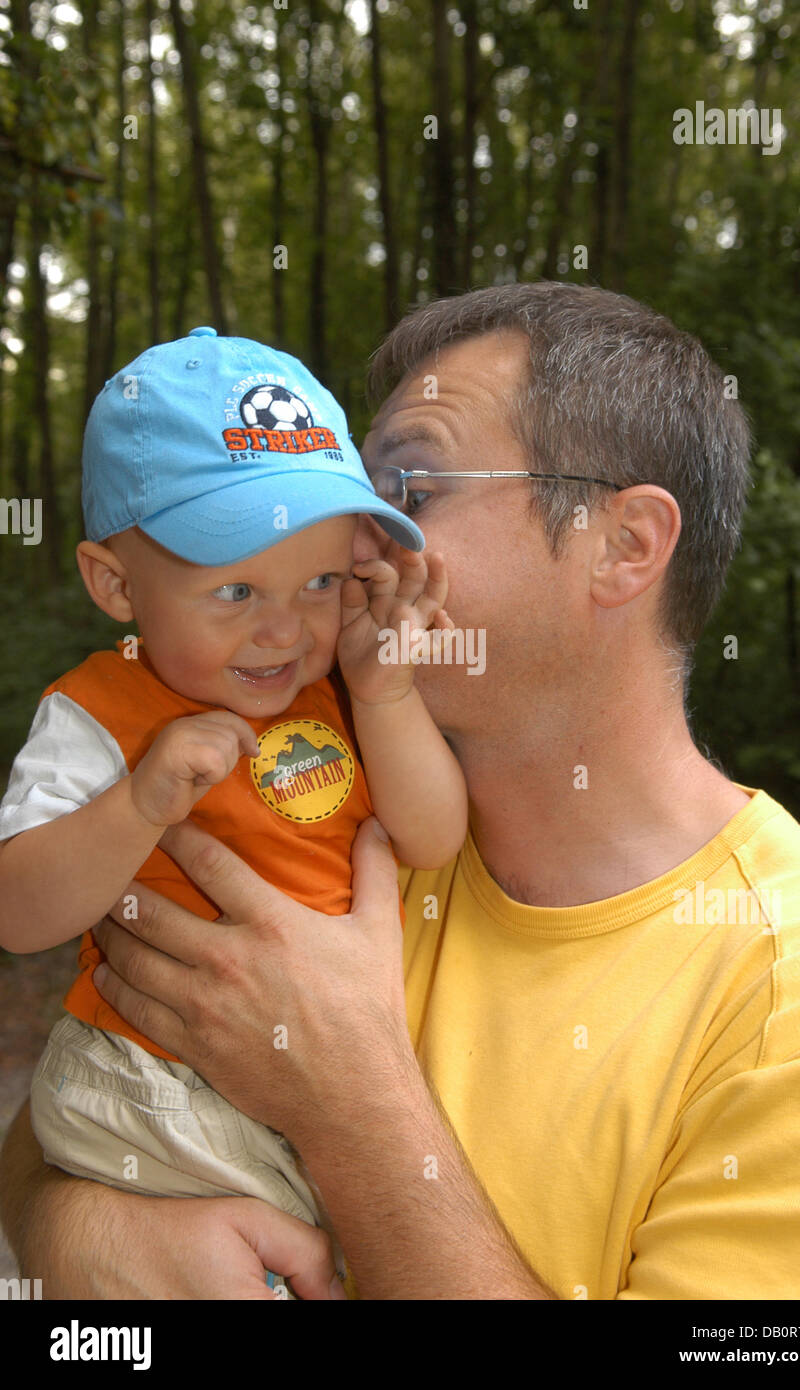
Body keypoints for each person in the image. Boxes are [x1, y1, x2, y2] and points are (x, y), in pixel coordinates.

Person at [2, 283, 800, 1301]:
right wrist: (79, 1227)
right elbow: (60, 1122)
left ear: (623, 543)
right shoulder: (323, 794)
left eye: (409, 490)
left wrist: (352, 1105)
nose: (354, 555)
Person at [0, 328, 467, 1295]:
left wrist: (385, 695)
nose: (283, 628)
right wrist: (137, 805)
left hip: (305, 1089)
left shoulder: (334, 687)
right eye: (237, 588)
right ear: (115, 582)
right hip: (150, 1083)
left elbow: (429, 837)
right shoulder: (99, 711)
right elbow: (18, 913)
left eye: (322, 583)